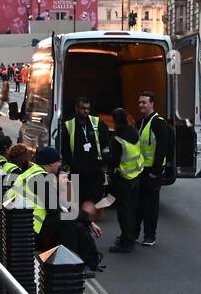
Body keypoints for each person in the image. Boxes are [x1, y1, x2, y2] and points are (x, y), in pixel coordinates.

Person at [8, 146, 104, 276]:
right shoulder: (41, 179)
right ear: (50, 164)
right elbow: (55, 209)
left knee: (67, 217)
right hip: (30, 227)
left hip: (18, 223)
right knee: (67, 220)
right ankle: (71, 266)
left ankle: (67, 260)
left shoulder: (32, 173)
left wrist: (88, 222)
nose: (60, 164)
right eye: (58, 161)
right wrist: (85, 220)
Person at [134, 91, 173, 247]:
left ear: (152, 104)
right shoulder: (141, 121)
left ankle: (150, 236)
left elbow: (163, 148)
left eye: (144, 102)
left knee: (150, 206)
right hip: (140, 170)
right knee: (138, 205)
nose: (141, 105)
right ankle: (134, 233)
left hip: (151, 171)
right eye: (139, 102)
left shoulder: (158, 122)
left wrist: (155, 172)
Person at [59, 96, 111, 209]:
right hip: (77, 171)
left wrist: (102, 164)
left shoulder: (97, 123)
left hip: (95, 170)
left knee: (95, 203)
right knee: (77, 202)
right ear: (76, 109)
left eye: (88, 108)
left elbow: (105, 144)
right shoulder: (69, 125)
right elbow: (65, 149)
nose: (86, 111)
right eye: (83, 108)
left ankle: (91, 221)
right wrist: (72, 165)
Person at [106, 108, 144, 254]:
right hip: (136, 175)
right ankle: (130, 236)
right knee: (132, 210)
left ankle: (126, 242)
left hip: (123, 178)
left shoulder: (118, 137)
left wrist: (106, 159)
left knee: (124, 212)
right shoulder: (134, 132)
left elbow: (114, 160)